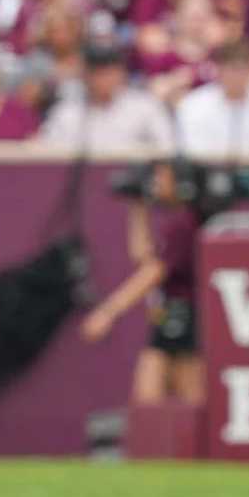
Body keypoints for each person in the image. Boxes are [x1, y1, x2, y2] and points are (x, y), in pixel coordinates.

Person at [81, 159, 204, 407]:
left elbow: (154, 272)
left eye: (163, 179)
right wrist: (137, 209)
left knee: (190, 400)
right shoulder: (176, 221)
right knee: (149, 400)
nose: (156, 185)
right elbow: (144, 256)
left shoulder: (186, 222)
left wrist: (108, 311)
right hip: (168, 315)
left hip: (186, 316)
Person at [40, 43, 176, 157]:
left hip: (133, 183)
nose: (103, 79)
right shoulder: (67, 112)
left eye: (109, 71)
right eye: (96, 71)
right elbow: (49, 155)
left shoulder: (145, 107)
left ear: (121, 72)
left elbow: (167, 150)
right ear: (84, 74)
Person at [176, 38, 249, 162]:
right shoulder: (193, 104)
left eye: (243, 68)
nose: (237, 75)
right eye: (232, 68)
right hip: (207, 175)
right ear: (218, 69)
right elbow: (193, 150)